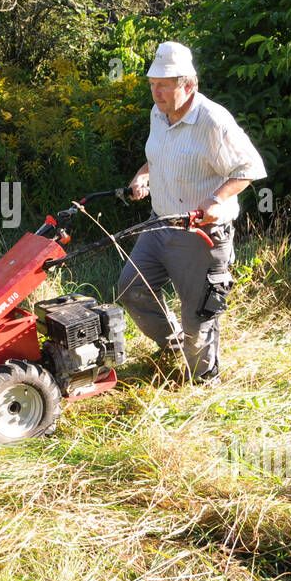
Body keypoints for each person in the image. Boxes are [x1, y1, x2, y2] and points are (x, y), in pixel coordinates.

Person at [115, 41, 267, 382]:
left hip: (201, 235)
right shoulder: (159, 113)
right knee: (131, 288)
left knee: (198, 320)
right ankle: (173, 345)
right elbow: (159, 154)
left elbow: (249, 167)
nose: (156, 92)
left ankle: (203, 383)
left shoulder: (213, 120)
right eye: (153, 84)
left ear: (188, 85)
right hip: (158, 224)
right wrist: (143, 175)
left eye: (164, 85)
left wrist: (217, 198)